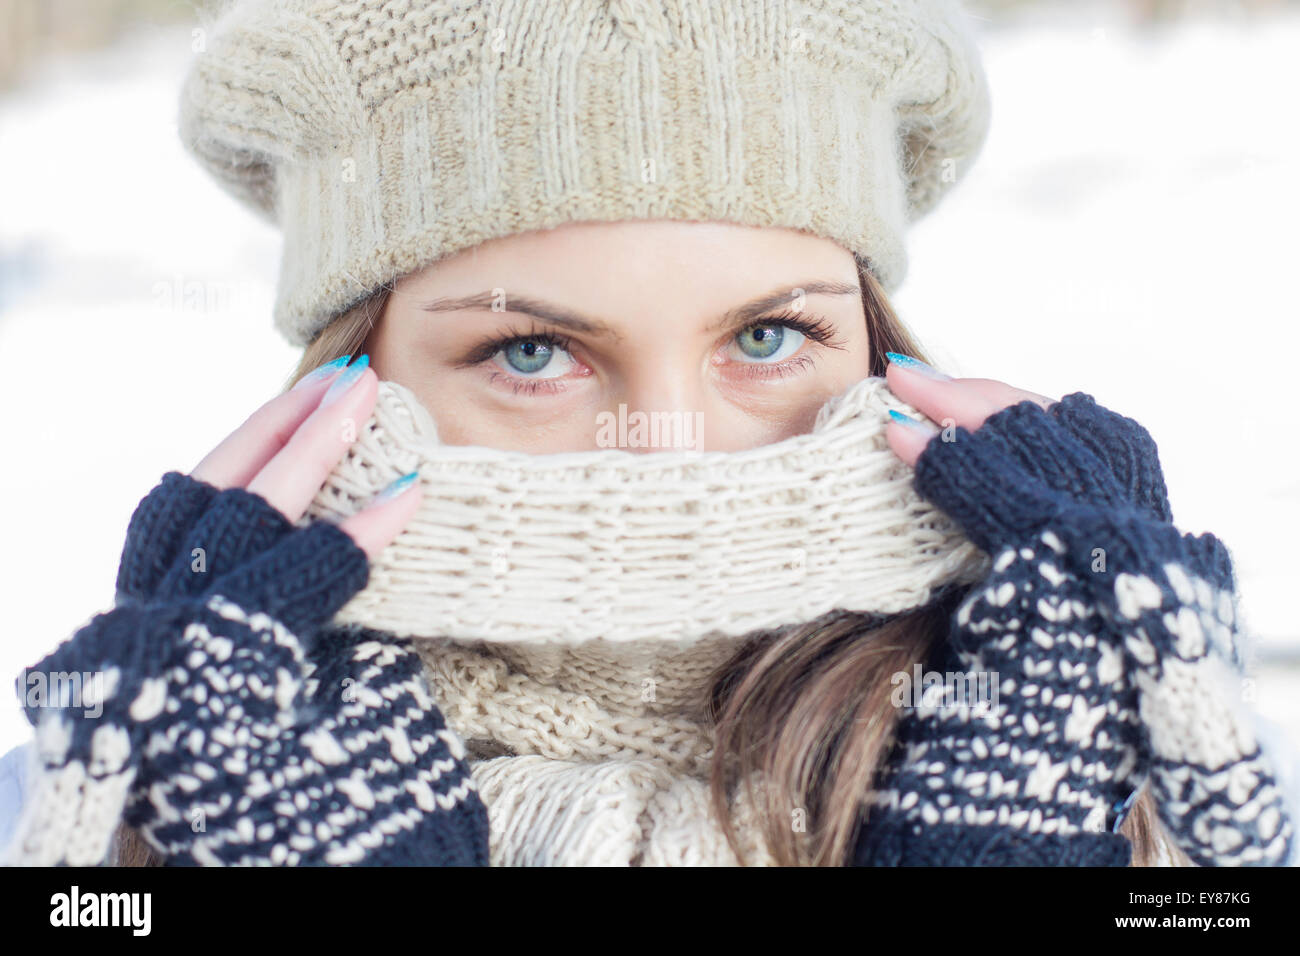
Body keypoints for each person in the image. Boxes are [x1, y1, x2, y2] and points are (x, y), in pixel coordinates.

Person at [2, 0, 1295, 867]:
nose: (671, 450)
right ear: (346, 394)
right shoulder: (92, 781)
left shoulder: (1119, 739)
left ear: (885, 360)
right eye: (532, 352)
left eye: (768, 337)